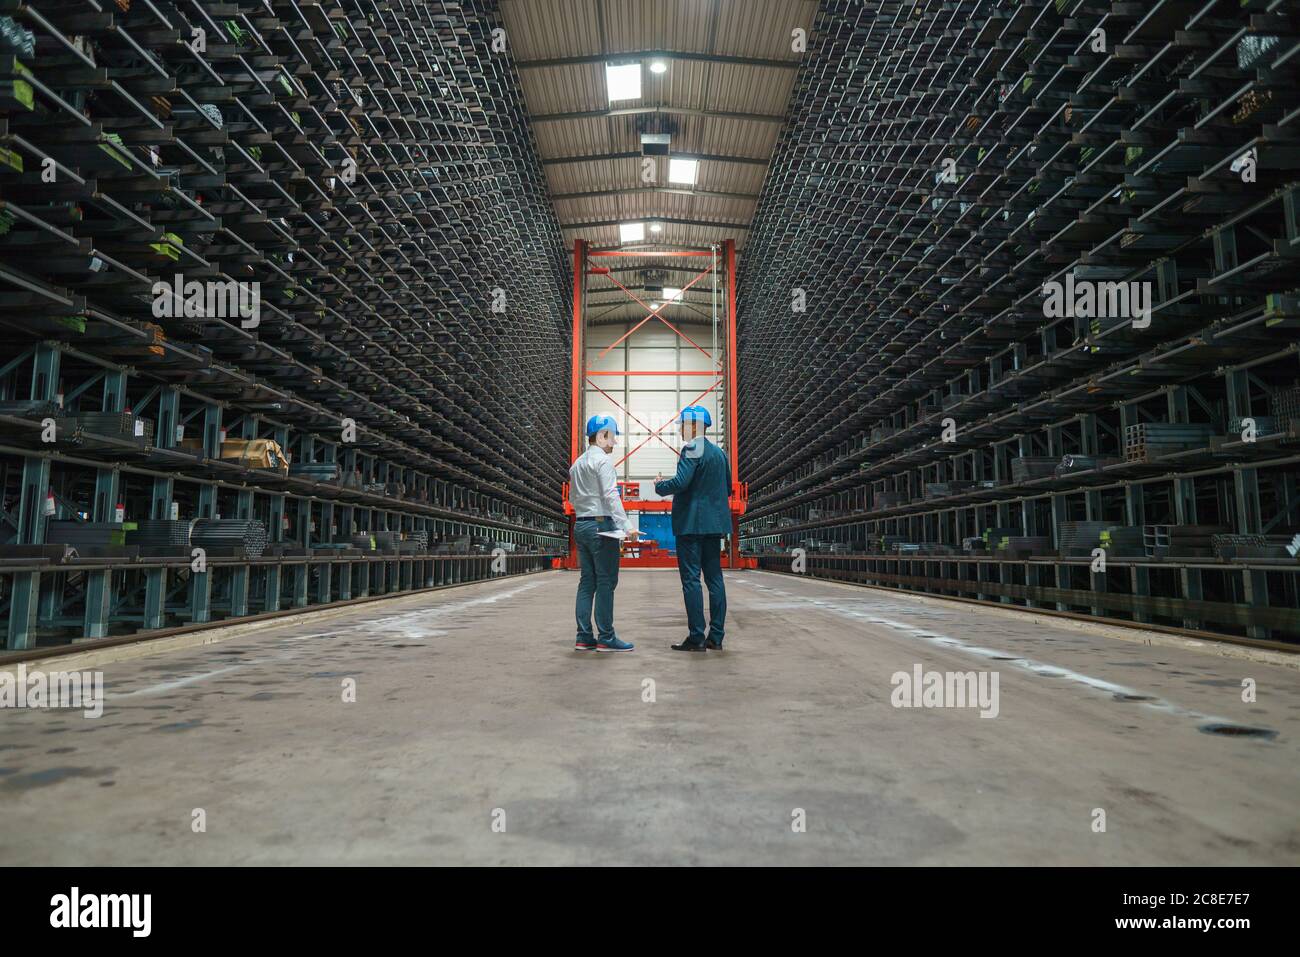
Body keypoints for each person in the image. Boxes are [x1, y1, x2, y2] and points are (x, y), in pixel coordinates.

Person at [654, 405, 731, 652]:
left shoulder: (691, 449)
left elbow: (681, 482)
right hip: (714, 525)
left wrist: (659, 486)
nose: (680, 430)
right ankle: (716, 636)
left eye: (683, 425)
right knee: (714, 578)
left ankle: (697, 636)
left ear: (693, 425)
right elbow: (727, 488)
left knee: (691, 580)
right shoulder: (719, 454)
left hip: (691, 525)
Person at [569, 414, 638, 652]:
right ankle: (606, 637)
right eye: (612, 437)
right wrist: (627, 526)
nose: (614, 443)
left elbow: (572, 499)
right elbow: (610, 496)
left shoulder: (576, 464)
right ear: (602, 435)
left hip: (581, 525)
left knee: (587, 581)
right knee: (606, 581)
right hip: (602, 527)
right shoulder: (604, 463)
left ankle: (583, 636)